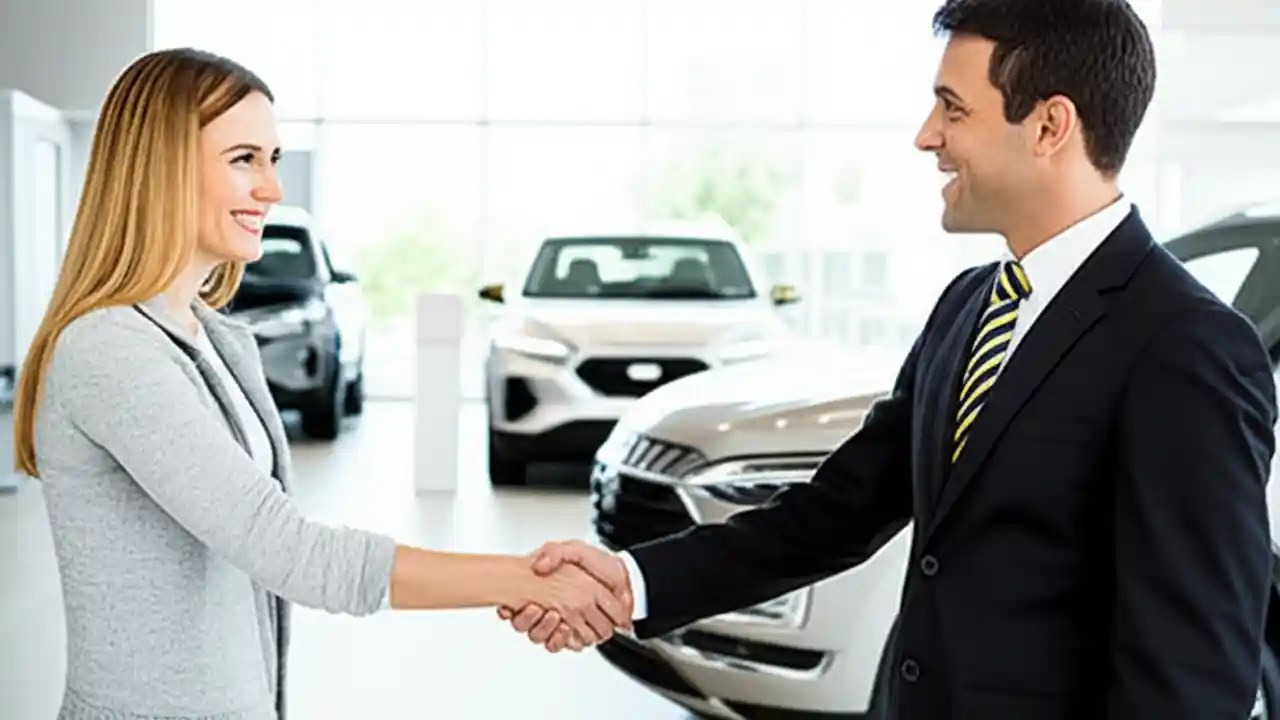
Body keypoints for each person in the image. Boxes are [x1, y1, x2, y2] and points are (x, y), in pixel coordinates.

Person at [503, 1, 1279, 717]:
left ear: (1050, 125)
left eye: (953, 107)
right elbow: (834, 513)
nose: (926, 135)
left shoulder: (1184, 346)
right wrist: (632, 581)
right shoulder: (971, 305)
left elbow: (1191, 678)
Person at [10, 48, 626, 720]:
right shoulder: (110, 350)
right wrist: (523, 579)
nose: (272, 189)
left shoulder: (210, 338)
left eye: (273, 159)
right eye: (244, 159)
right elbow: (290, 551)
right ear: (160, 167)